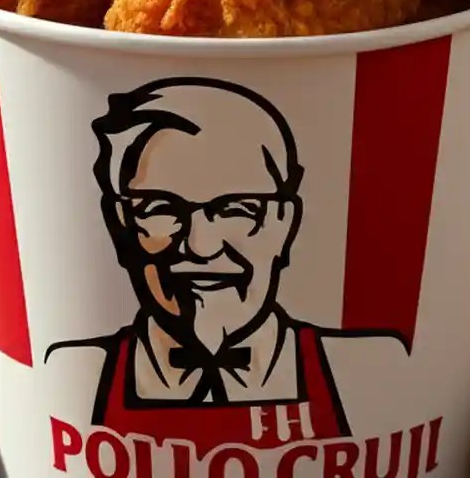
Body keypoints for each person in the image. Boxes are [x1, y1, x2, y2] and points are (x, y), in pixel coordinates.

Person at [46, 77, 409, 452]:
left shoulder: (366, 364)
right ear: (120, 226)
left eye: (237, 209)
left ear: (284, 223)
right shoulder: (72, 371)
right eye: (160, 209)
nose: (201, 247)